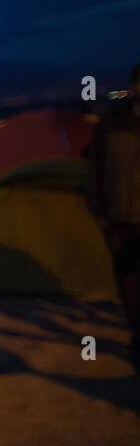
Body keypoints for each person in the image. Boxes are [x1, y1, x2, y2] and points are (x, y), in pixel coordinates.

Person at [86, 63, 140, 373]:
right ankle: (137, 340)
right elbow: (95, 170)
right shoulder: (111, 125)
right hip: (118, 219)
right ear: (133, 86)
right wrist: (99, 213)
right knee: (129, 289)